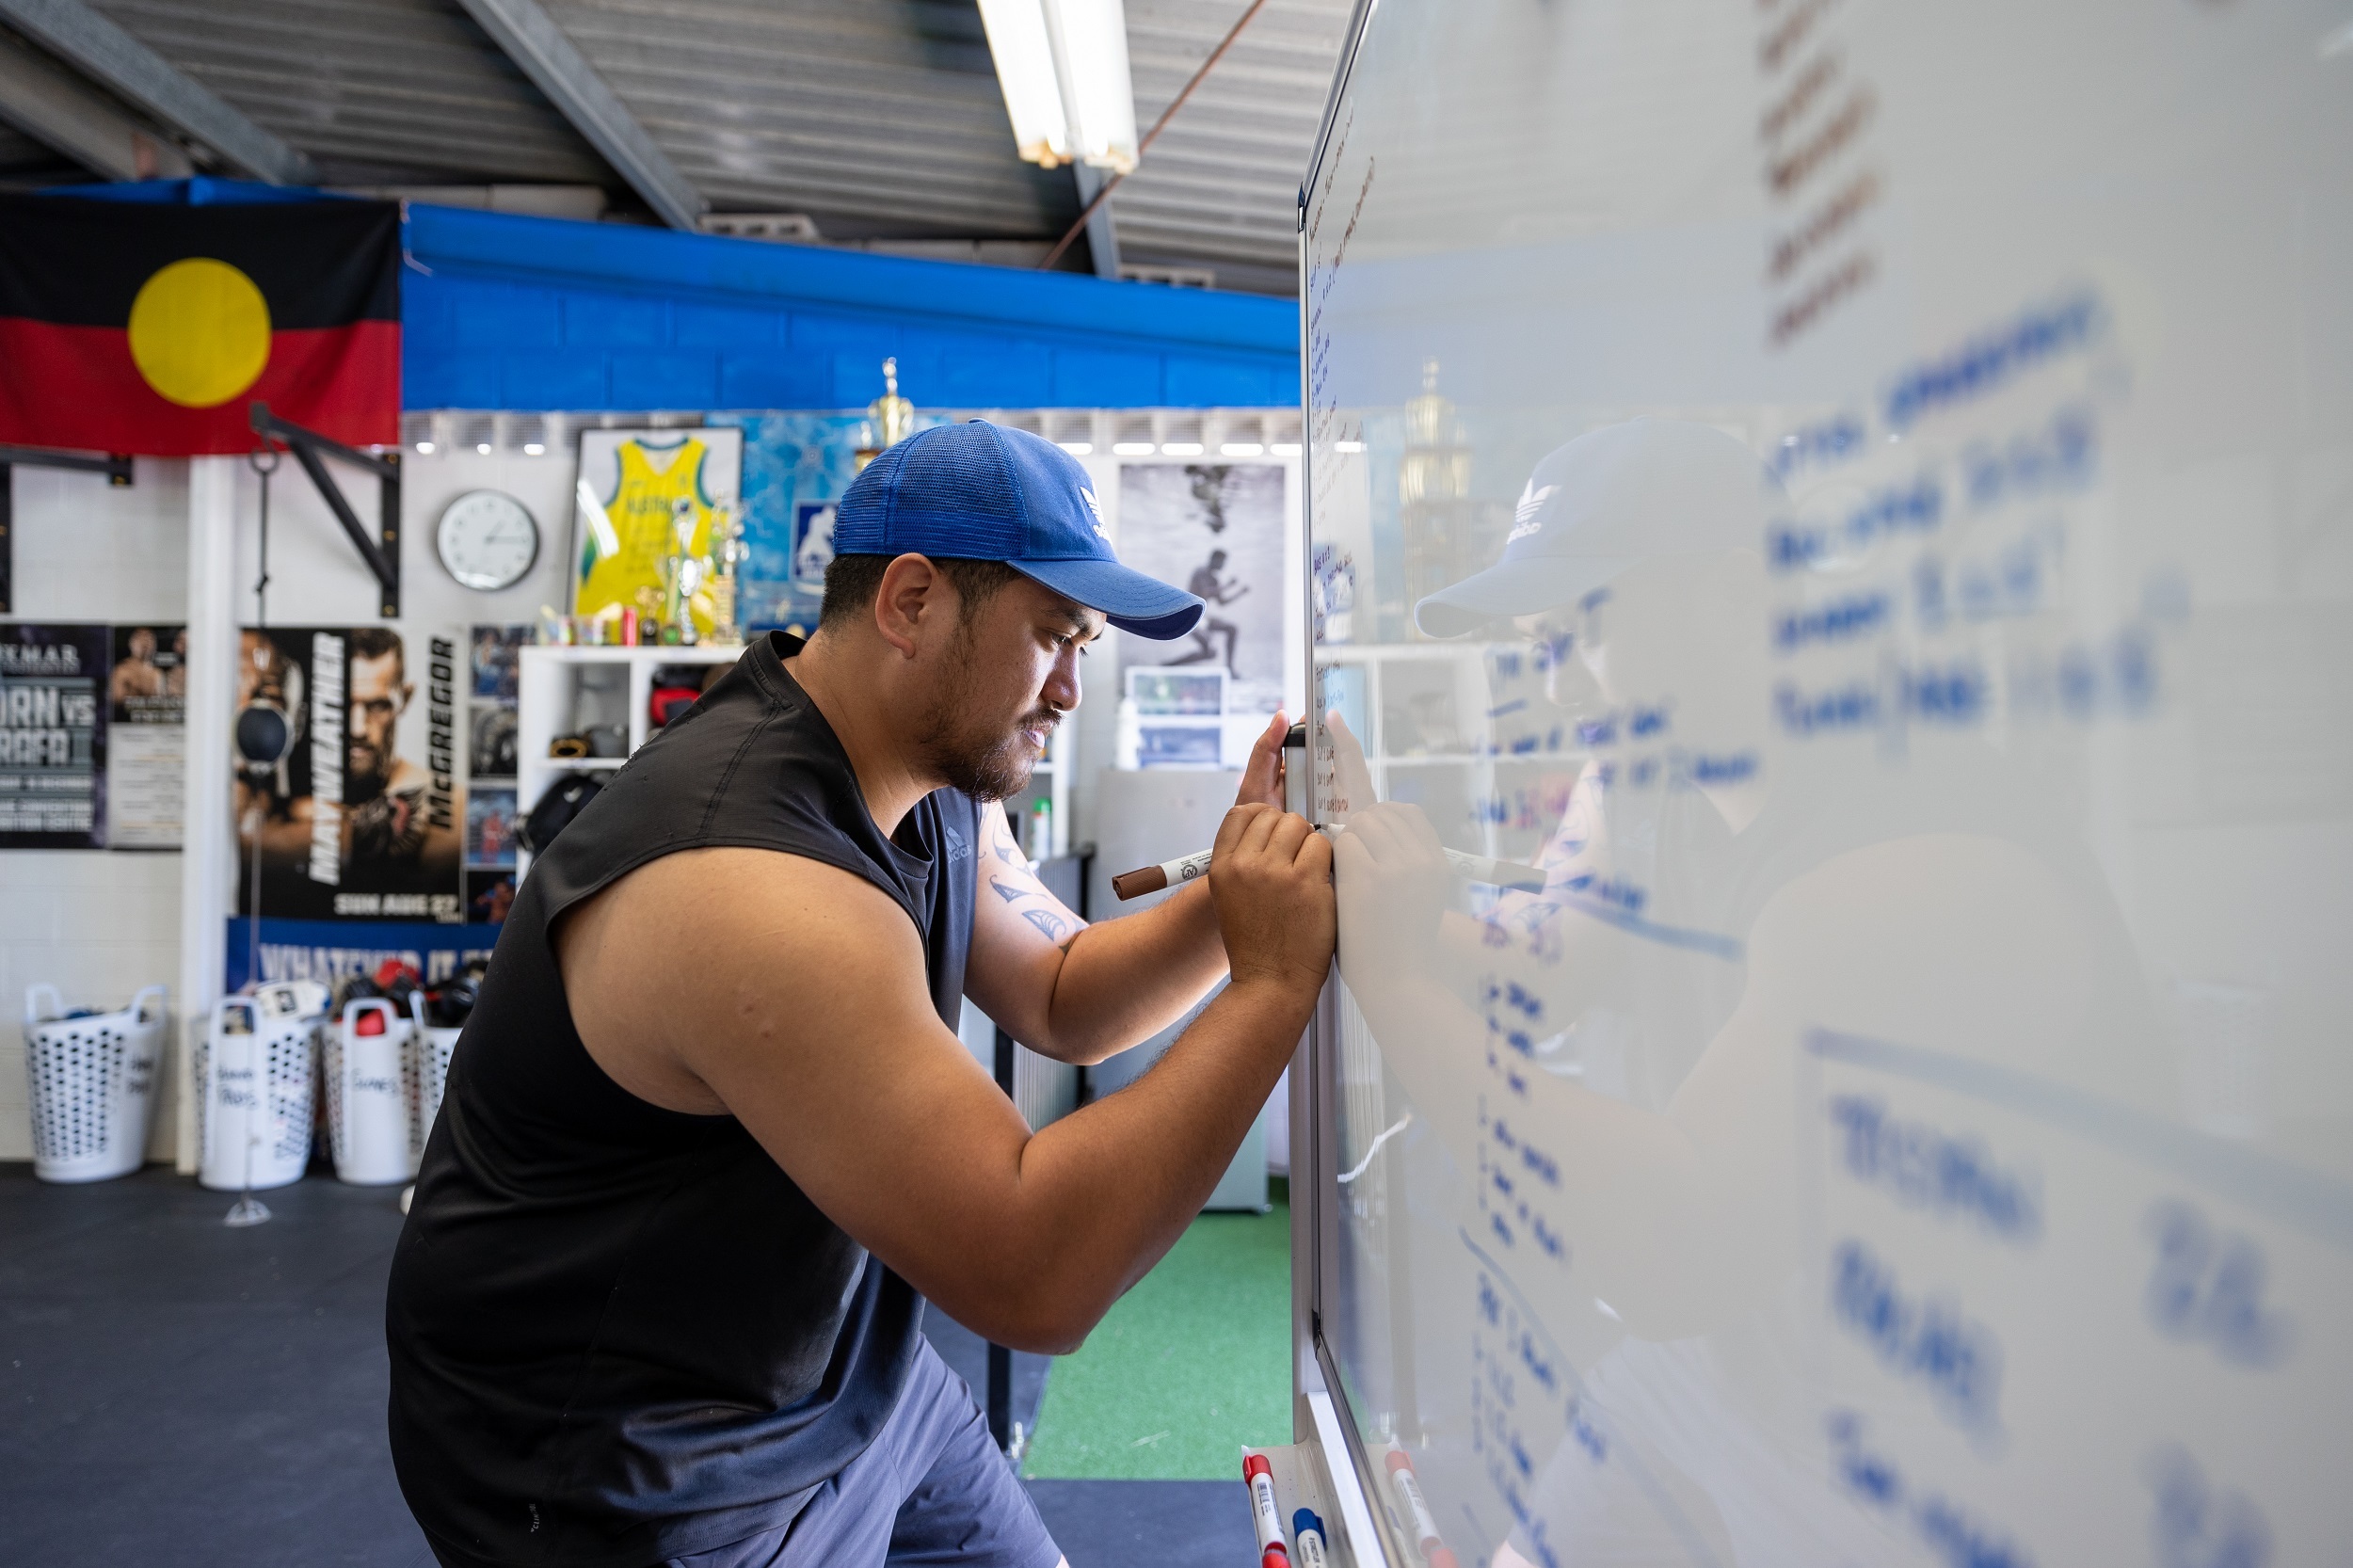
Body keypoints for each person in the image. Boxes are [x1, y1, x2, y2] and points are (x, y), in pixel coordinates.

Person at [386, 421, 1337, 1568]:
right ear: (909, 602)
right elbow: (1036, 1274)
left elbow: (1065, 991)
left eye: (1082, 644)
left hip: (844, 1382)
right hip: (636, 1476)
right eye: (1051, 639)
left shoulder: (932, 777)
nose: (1072, 689)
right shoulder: (751, 889)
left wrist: (1249, 883)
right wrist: (1275, 981)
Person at [1168, 547, 1247, 678]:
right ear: (1214, 560)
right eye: (1222, 561)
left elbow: (1222, 602)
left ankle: (1229, 668)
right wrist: (1228, 585)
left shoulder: (1215, 580)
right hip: (1189, 616)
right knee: (1209, 651)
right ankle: (1169, 666)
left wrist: (1240, 593)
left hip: (1201, 618)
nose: (1223, 565)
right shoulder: (1200, 572)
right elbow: (1205, 592)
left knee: (1230, 631)